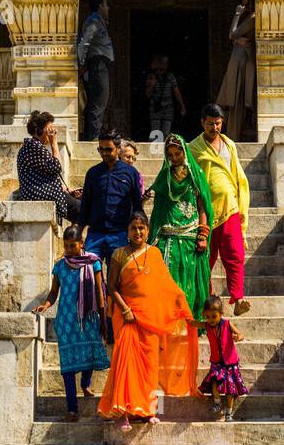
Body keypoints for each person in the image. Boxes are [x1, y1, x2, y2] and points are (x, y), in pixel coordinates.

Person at [98, 211, 199, 430]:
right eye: (133, 228)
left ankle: (147, 411)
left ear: (148, 230)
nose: (138, 232)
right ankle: (123, 412)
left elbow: (165, 286)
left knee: (149, 367)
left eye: (141, 228)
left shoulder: (154, 253)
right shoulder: (118, 254)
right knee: (126, 366)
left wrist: (183, 308)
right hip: (127, 318)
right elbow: (112, 287)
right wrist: (124, 309)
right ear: (127, 231)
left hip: (149, 318)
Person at [35, 224, 110, 422]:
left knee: (89, 355)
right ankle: (72, 408)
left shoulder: (93, 262)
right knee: (67, 365)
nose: (69, 249)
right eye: (66, 246)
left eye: (73, 246)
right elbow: (54, 292)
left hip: (88, 319)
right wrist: (45, 304)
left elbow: (100, 294)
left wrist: (103, 319)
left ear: (81, 244)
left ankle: (85, 383)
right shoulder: (60, 266)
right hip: (66, 321)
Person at [190, 104, 251, 316]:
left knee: (234, 254)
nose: (214, 128)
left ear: (222, 122)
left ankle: (238, 298)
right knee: (205, 259)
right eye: (210, 124)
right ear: (202, 123)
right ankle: (207, 303)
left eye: (217, 124)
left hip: (230, 208)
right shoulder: (193, 148)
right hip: (205, 212)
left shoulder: (229, 145)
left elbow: (236, 174)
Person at [148, 134, 213, 319]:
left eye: (178, 154)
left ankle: (186, 325)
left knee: (188, 284)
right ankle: (168, 323)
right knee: (168, 283)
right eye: (171, 155)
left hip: (191, 238)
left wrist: (203, 234)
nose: (175, 158)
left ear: (185, 152)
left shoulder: (196, 175)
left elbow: (203, 207)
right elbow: (158, 211)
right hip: (167, 237)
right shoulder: (164, 177)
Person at [78, 130, 143, 267]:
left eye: (109, 149)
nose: (105, 153)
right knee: (90, 275)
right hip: (95, 235)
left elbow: (137, 205)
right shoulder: (92, 173)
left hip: (119, 235)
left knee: (118, 279)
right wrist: (79, 232)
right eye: (101, 149)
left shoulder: (130, 173)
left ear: (118, 149)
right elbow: (85, 204)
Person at [16, 110, 81, 224]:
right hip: (40, 194)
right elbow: (56, 167)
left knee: (82, 203)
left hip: (43, 191)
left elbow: (44, 174)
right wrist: (54, 143)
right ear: (39, 130)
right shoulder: (33, 146)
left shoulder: (32, 146)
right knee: (84, 210)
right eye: (50, 129)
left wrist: (65, 190)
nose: (53, 133)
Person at [198, 294, 249, 422]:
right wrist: (183, 317)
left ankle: (228, 413)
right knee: (214, 382)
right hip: (217, 363)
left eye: (214, 316)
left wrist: (238, 337)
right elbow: (193, 323)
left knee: (230, 391)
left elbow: (241, 334)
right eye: (207, 317)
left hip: (230, 362)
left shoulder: (227, 324)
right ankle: (217, 403)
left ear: (221, 313)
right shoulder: (207, 326)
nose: (211, 319)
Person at [217, 0, 257, 142]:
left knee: (237, 100)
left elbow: (232, 33)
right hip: (240, 58)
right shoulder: (250, 17)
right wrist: (235, 39)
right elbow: (234, 37)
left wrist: (237, 14)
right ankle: (234, 136)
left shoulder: (252, 18)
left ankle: (235, 137)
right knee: (236, 101)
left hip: (242, 60)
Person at [78, 0, 114, 141]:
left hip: (101, 64)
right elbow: (84, 42)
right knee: (98, 102)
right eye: (106, 5)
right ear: (100, 5)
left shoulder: (99, 21)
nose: (108, 8)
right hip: (97, 64)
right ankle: (93, 139)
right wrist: (81, 63)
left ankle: (92, 136)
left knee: (99, 102)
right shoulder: (93, 20)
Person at [144, 53, 186, 140]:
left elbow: (176, 92)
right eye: (157, 69)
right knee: (155, 133)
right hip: (155, 109)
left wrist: (182, 105)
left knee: (166, 133)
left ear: (166, 67)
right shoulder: (151, 77)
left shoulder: (170, 77)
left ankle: (165, 151)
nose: (159, 72)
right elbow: (148, 95)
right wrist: (152, 85)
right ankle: (154, 152)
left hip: (168, 109)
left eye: (161, 69)